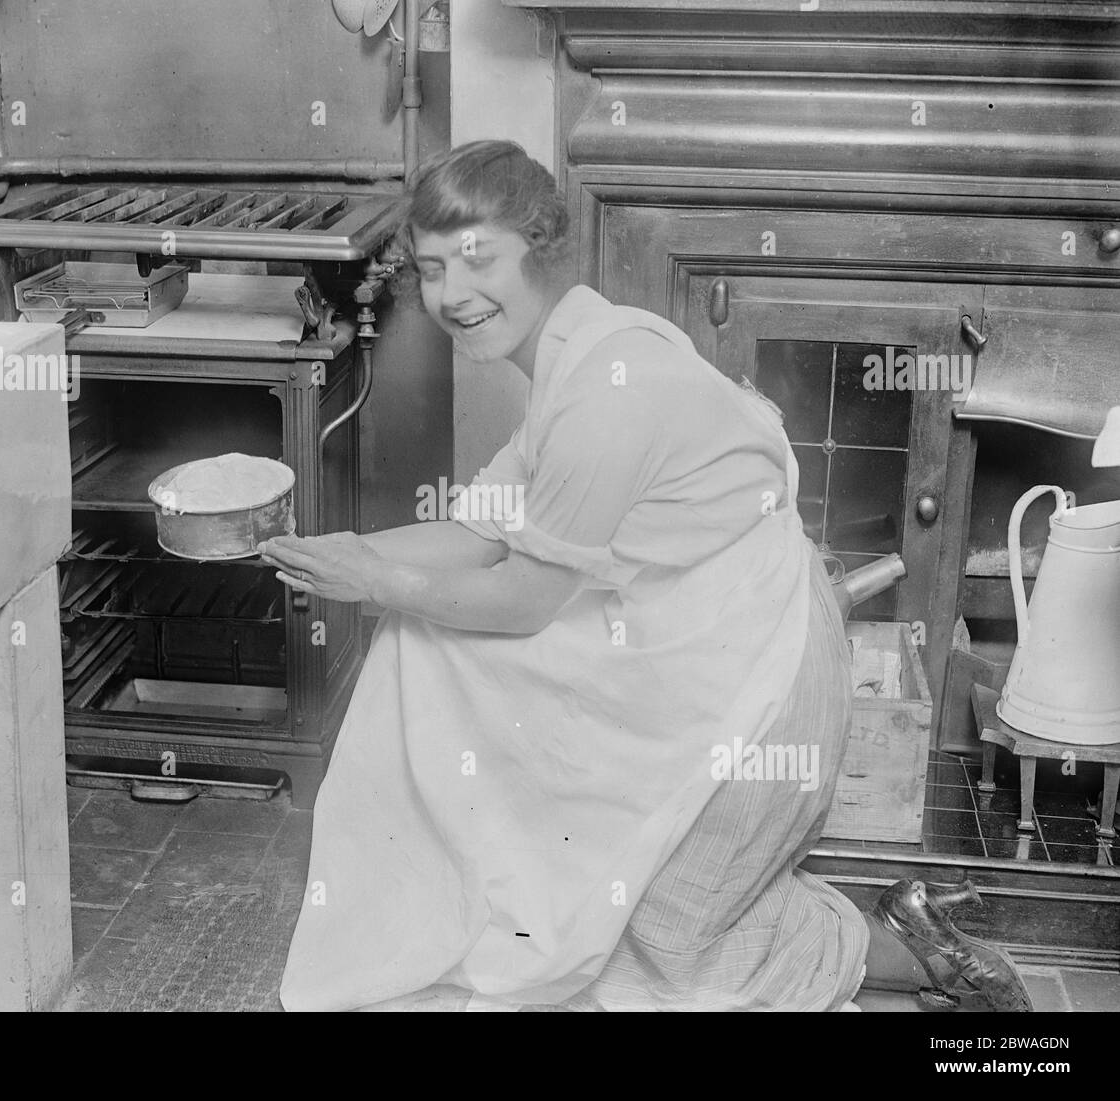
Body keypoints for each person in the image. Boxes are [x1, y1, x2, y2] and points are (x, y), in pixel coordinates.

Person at [259, 140, 1031, 1012]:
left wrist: (376, 579)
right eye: (432, 270)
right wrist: (335, 552)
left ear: (538, 248)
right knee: (436, 657)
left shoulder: (603, 386)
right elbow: (476, 533)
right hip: (695, 639)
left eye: (478, 260)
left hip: (766, 673)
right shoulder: (574, 353)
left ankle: (916, 952)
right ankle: (902, 925)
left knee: (672, 954)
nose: (451, 296)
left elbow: (522, 601)